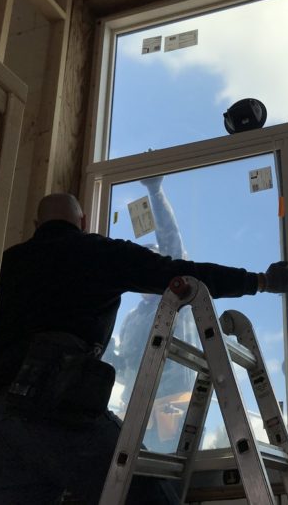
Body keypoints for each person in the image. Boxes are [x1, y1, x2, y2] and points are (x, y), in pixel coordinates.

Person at [0, 193, 288, 505]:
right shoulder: (97, 252)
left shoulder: (3, 265)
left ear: (36, 225)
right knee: (150, 497)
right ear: (84, 221)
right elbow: (182, 274)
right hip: (54, 407)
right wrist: (260, 281)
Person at [112, 175, 198, 453]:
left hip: (171, 415)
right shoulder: (130, 319)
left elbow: (171, 242)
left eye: (154, 265)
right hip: (136, 416)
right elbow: (125, 369)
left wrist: (155, 191)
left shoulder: (177, 302)